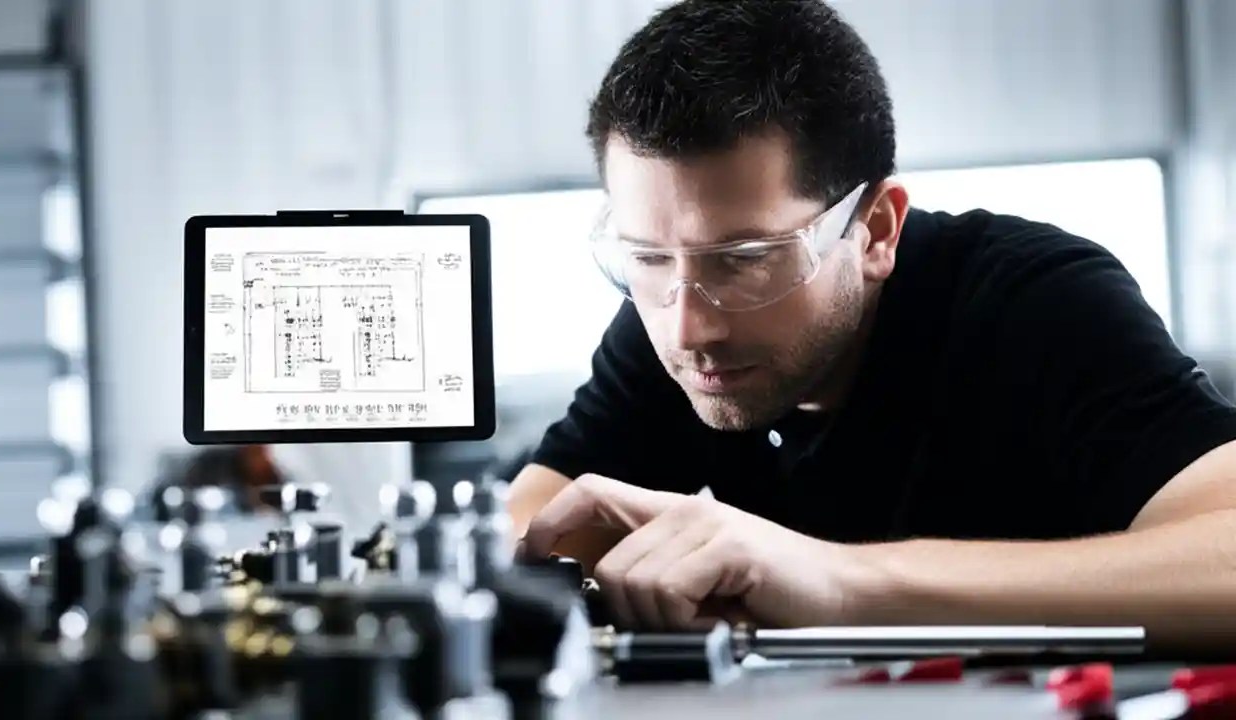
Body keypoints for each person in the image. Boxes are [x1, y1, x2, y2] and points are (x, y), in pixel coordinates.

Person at [507, 0, 1236, 654]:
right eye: (646, 256)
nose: (690, 325)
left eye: (748, 260)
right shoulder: (668, 311)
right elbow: (530, 522)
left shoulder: (1036, 301)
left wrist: (837, 583)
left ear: (877, 230)